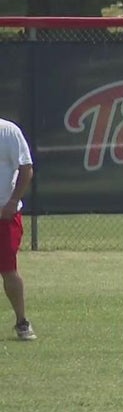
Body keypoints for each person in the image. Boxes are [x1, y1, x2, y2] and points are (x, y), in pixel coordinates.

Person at [0, 116, 34, 341]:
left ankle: (22, 322)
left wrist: (12, 202)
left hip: (4, 214)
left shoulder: (8, 130)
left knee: (8, 270)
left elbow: (26, 168)